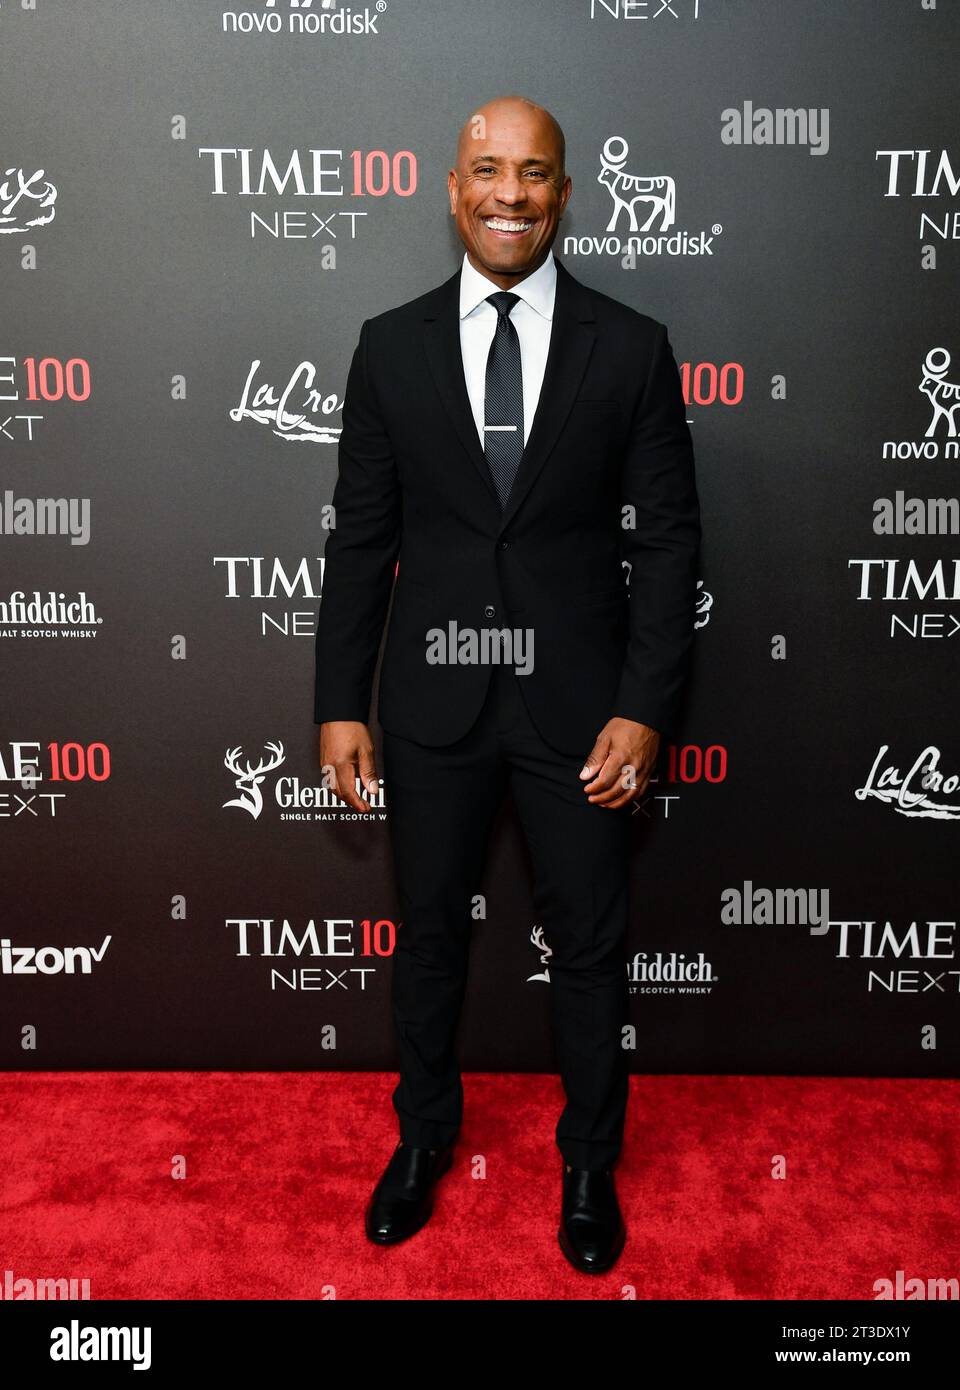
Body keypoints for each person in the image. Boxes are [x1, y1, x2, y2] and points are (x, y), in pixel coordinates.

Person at [314, 94, 701, 1274]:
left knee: (589, 944)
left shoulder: (627, 344)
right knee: (428, 937)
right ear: (451, 186)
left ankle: (590, 1163)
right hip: (432, 704)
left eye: (534, 173)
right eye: (488, 170)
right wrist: (339, 701)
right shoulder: (391, 345)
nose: (510, 194)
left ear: (565, 194)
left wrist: (643, 706)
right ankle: (422, 1139)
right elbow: (360, 538)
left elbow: (670, 546)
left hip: (578, 710)